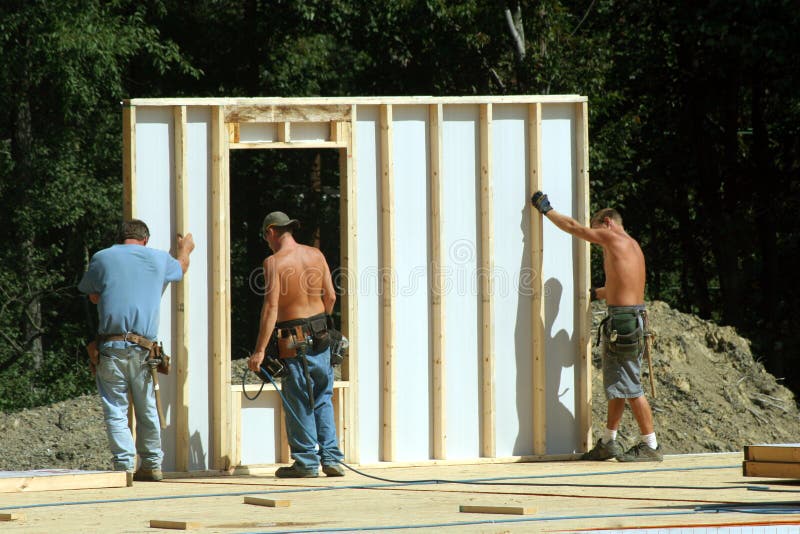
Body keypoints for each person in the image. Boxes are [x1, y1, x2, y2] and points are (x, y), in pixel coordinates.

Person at [531, 192, 662, 462]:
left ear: (607, 222)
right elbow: (624, 285)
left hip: (624, 320)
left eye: (596, 227)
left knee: (630, 385)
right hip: (632, 318)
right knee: (619, 384)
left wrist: (547, 210)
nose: (595, 234)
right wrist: (597, 294)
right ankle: (607, 442)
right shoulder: (633, 246)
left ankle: (650, 445)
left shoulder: (612, 237)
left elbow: (574, 228)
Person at [79, 219, 194, 481]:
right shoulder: (158, 259)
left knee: (115, 408)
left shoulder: (102, 257)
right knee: (147, 407)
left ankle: (123, 468)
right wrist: (185, 248)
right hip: (144, 348)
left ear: (120, 238)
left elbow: (91, 293)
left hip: (111, 345)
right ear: (145, 240)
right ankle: (152, 464)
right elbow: (182, 267)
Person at [248, 211, 346, 478]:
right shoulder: (316, 255)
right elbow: (332, 297)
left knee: (301, 399)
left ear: (271, 232)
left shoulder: (273, 262)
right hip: (322, 336)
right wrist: (318, 322)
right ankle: (332, 458)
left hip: (294, 341)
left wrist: (259, 351)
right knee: (323, 397)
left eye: (266, 237)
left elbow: (271, 309)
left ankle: (306, 462)